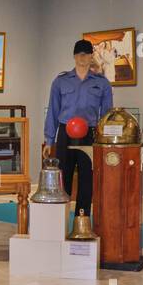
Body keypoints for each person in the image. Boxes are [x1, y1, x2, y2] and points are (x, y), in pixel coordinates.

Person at [43, 39, 113, 215]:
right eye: (79, 54)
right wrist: (49, 140)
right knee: (63, 177)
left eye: (86, 54)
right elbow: (53, 110)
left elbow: (106, 114)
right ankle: (60, 217)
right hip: (65, 133)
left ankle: (82, 220)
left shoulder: (102, 83)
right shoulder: (60, 82)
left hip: (89, 135)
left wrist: (106, 141)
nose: (83, 57)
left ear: (91, 56)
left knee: (86, 178)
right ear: (74, 56)